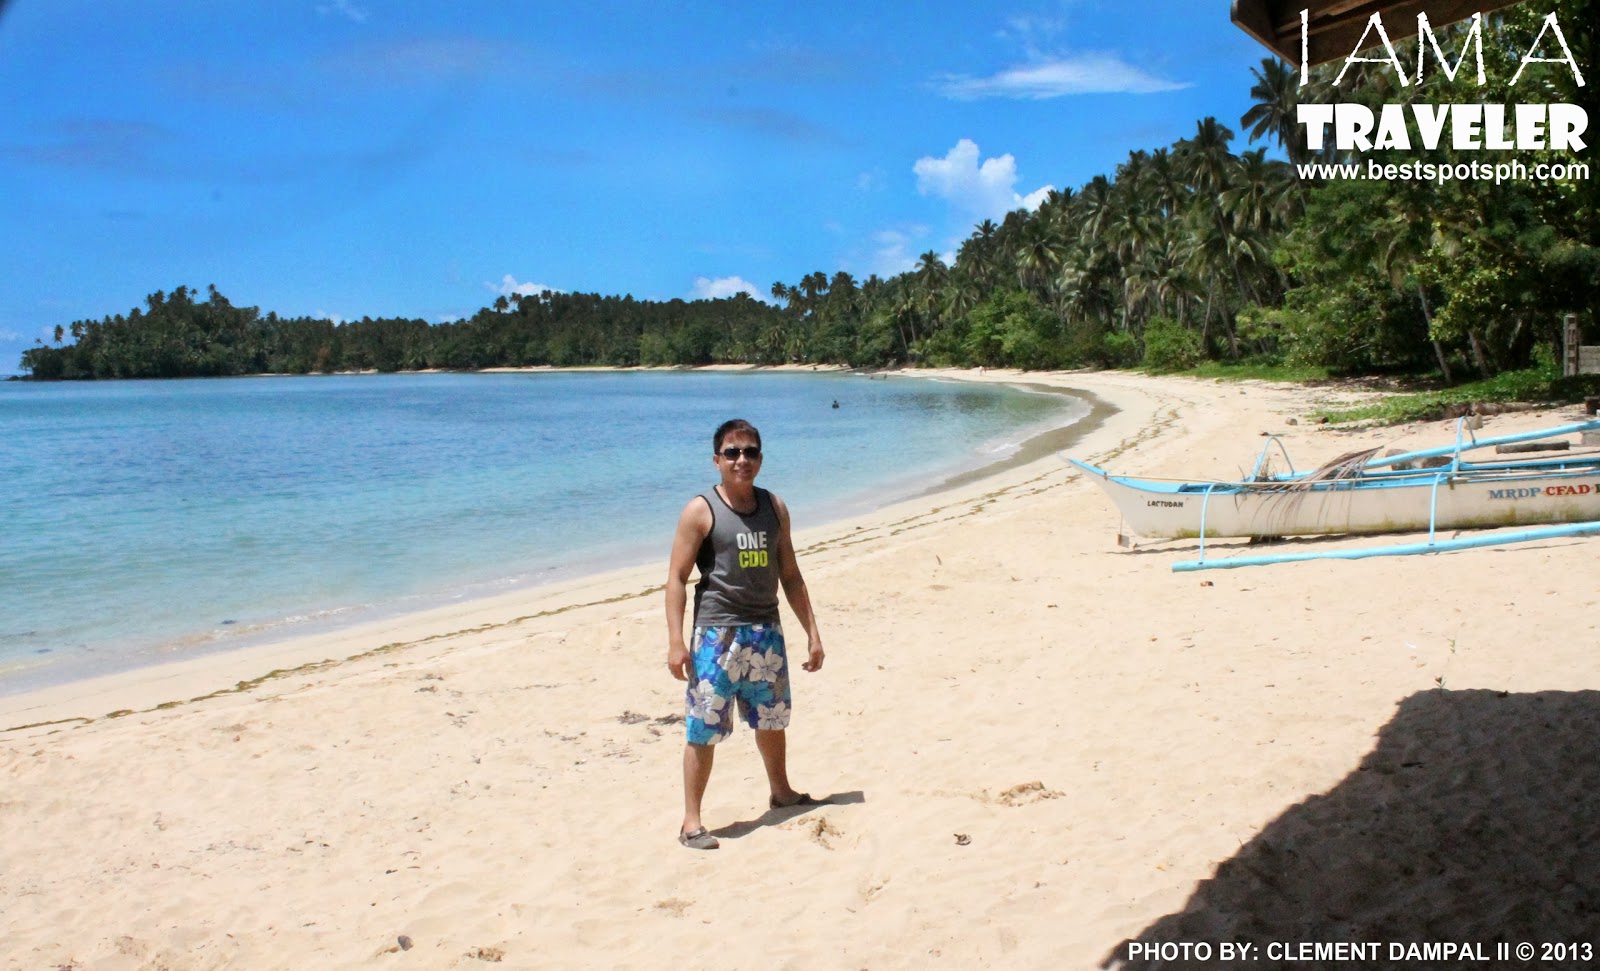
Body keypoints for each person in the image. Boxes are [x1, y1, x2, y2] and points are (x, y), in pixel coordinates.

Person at [665, 418, 825, 849]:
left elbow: (790, 574)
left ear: (760, 459)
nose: (742, 460)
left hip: (765, 630)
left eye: (750, 452)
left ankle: (782, 792)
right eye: (732, 453)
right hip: (716, 634)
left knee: (771, 720)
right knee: (704, 727)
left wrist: (811, 632)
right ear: (717, 460)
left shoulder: (775, 508)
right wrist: (677, 641)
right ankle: (691, 822)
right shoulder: (701, 511)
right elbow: (677, 578)